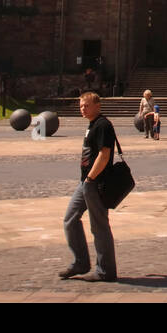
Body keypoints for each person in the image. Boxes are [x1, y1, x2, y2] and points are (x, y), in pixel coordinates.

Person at [61, 91, 118, 282]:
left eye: (86, 105)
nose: (82, 109)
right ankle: (81, 262)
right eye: (80, 106)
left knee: (99, 226)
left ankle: (106, 271)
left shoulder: (103, 125)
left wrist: (91, 178)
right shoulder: (92, 125)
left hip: (96, 182)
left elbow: (105, 154)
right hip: (86, 182)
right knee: (70, 218)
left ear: (97, 106)